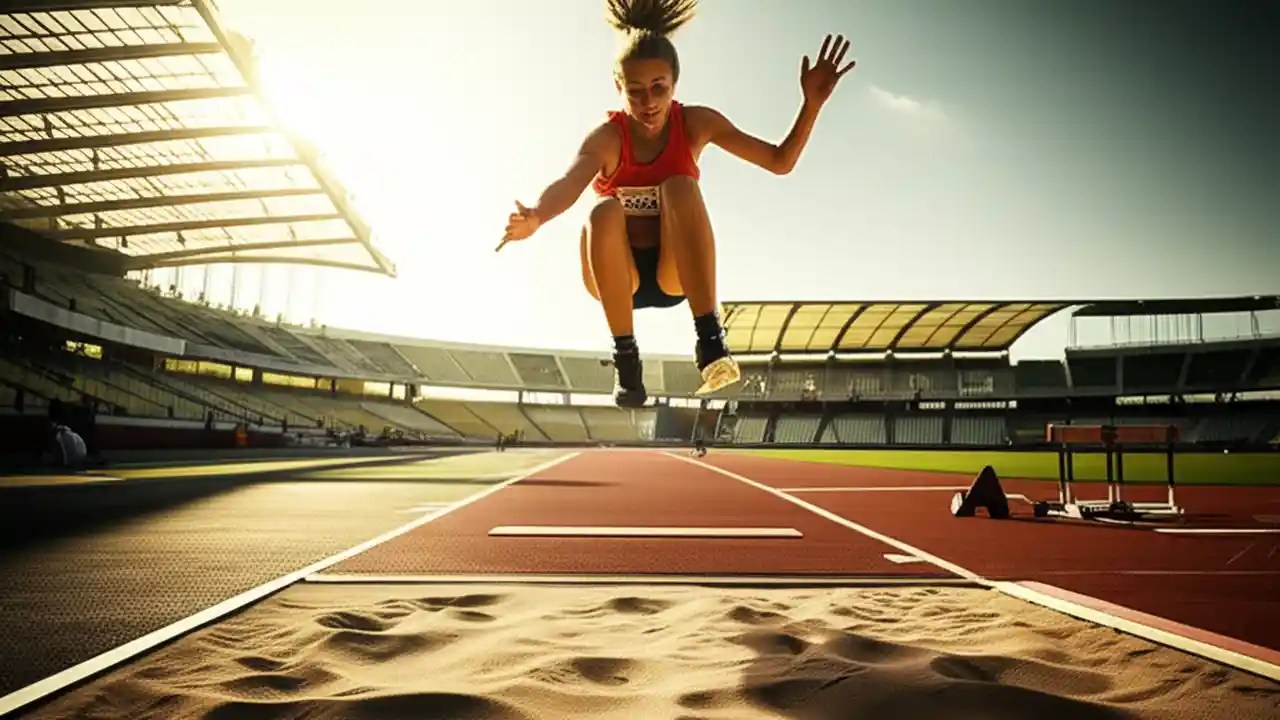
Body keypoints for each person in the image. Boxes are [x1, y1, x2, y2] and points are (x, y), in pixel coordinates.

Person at [501, 0, 856, 408]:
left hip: (674, 273)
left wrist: (812, 105)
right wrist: (537, 216)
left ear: (674, 83)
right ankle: (626, 359)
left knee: (680, 187)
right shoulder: (607, 138)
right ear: (619, 89)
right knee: (603, 210)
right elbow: (570, 181)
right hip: (618, 278)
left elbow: (779, 162)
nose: (648, 101)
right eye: (635, 92)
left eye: (659, 88)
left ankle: (710, 340)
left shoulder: (695, 124)